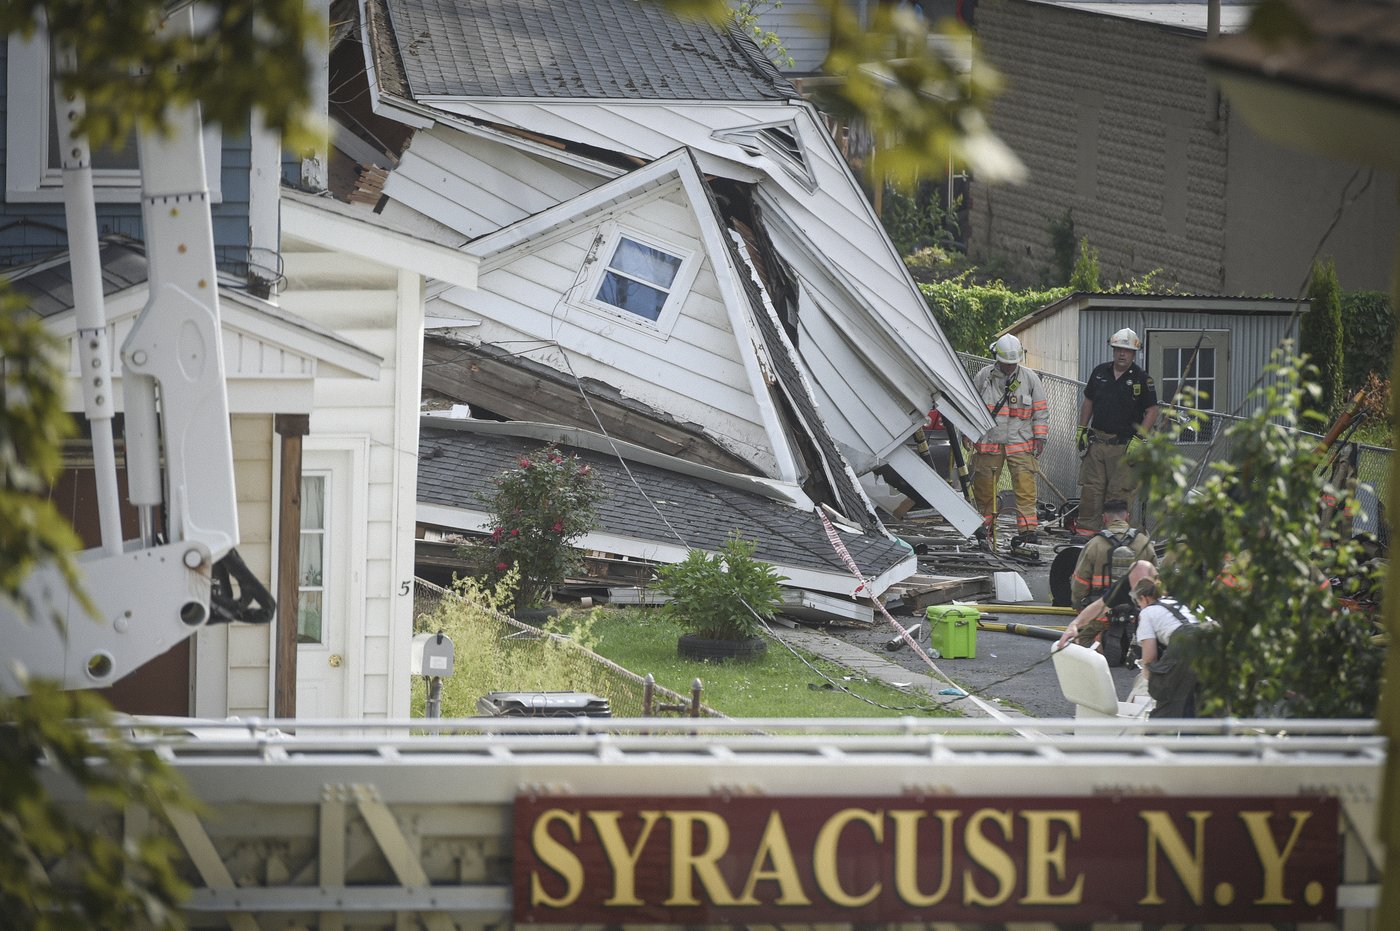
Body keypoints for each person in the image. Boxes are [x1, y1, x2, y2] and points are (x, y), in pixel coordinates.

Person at [1074, 328, 1159, 536]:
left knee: (1117, 495)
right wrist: (1082, 429)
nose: (1122, 354)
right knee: (1091, 491)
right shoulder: (1100, 372)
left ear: (1134, 353)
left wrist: (1140, 439)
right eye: (1119, 349)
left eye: (1127, 351)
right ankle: (1085, 538)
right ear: (1113, 350)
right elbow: (1089, 401)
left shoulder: (1142, 379)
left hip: (1124, 447)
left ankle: (1114, 538)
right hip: (1097, 443)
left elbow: (1152, 410)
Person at [968, 334, 1049, 547]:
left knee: (1025, 487)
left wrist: (1040, 437)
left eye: (1013, 363)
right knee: (984, 487)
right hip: (989, 442)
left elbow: (1040, 410)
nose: (1009, 367)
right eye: (1005, 363)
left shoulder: (1029, 378)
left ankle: (1027, 530)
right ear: (997, 358)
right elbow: (971, 409)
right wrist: (967, 433)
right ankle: (985, 529)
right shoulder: (984, 378)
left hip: (1020, 442)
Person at [1131, 576, 1204, 718]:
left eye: (1138, 603)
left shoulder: (1147, 612)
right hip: (1216, 638)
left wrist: (1151, 683)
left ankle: (1157, 736)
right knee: (1202, 702)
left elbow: (1149, 660)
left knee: (1167, 698)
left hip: (1187, 641)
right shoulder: (1184, 603)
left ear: (1144, 598)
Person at [1069, 499, 1156, 612]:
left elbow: (1080, 582)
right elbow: (1155, 579)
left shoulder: (1094, 545)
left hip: (1100, 616)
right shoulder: (1144, 543)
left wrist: (1078, 606)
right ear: (1127, 517)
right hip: (1137, 615)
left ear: (1104, 518)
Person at [1056, 558, 1158, 650]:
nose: (1141, 598)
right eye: (1136, 593)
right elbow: (1099, 607)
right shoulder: (1124, 586)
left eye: (1143, 592)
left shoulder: (1169, 588)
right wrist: (1075, 624)